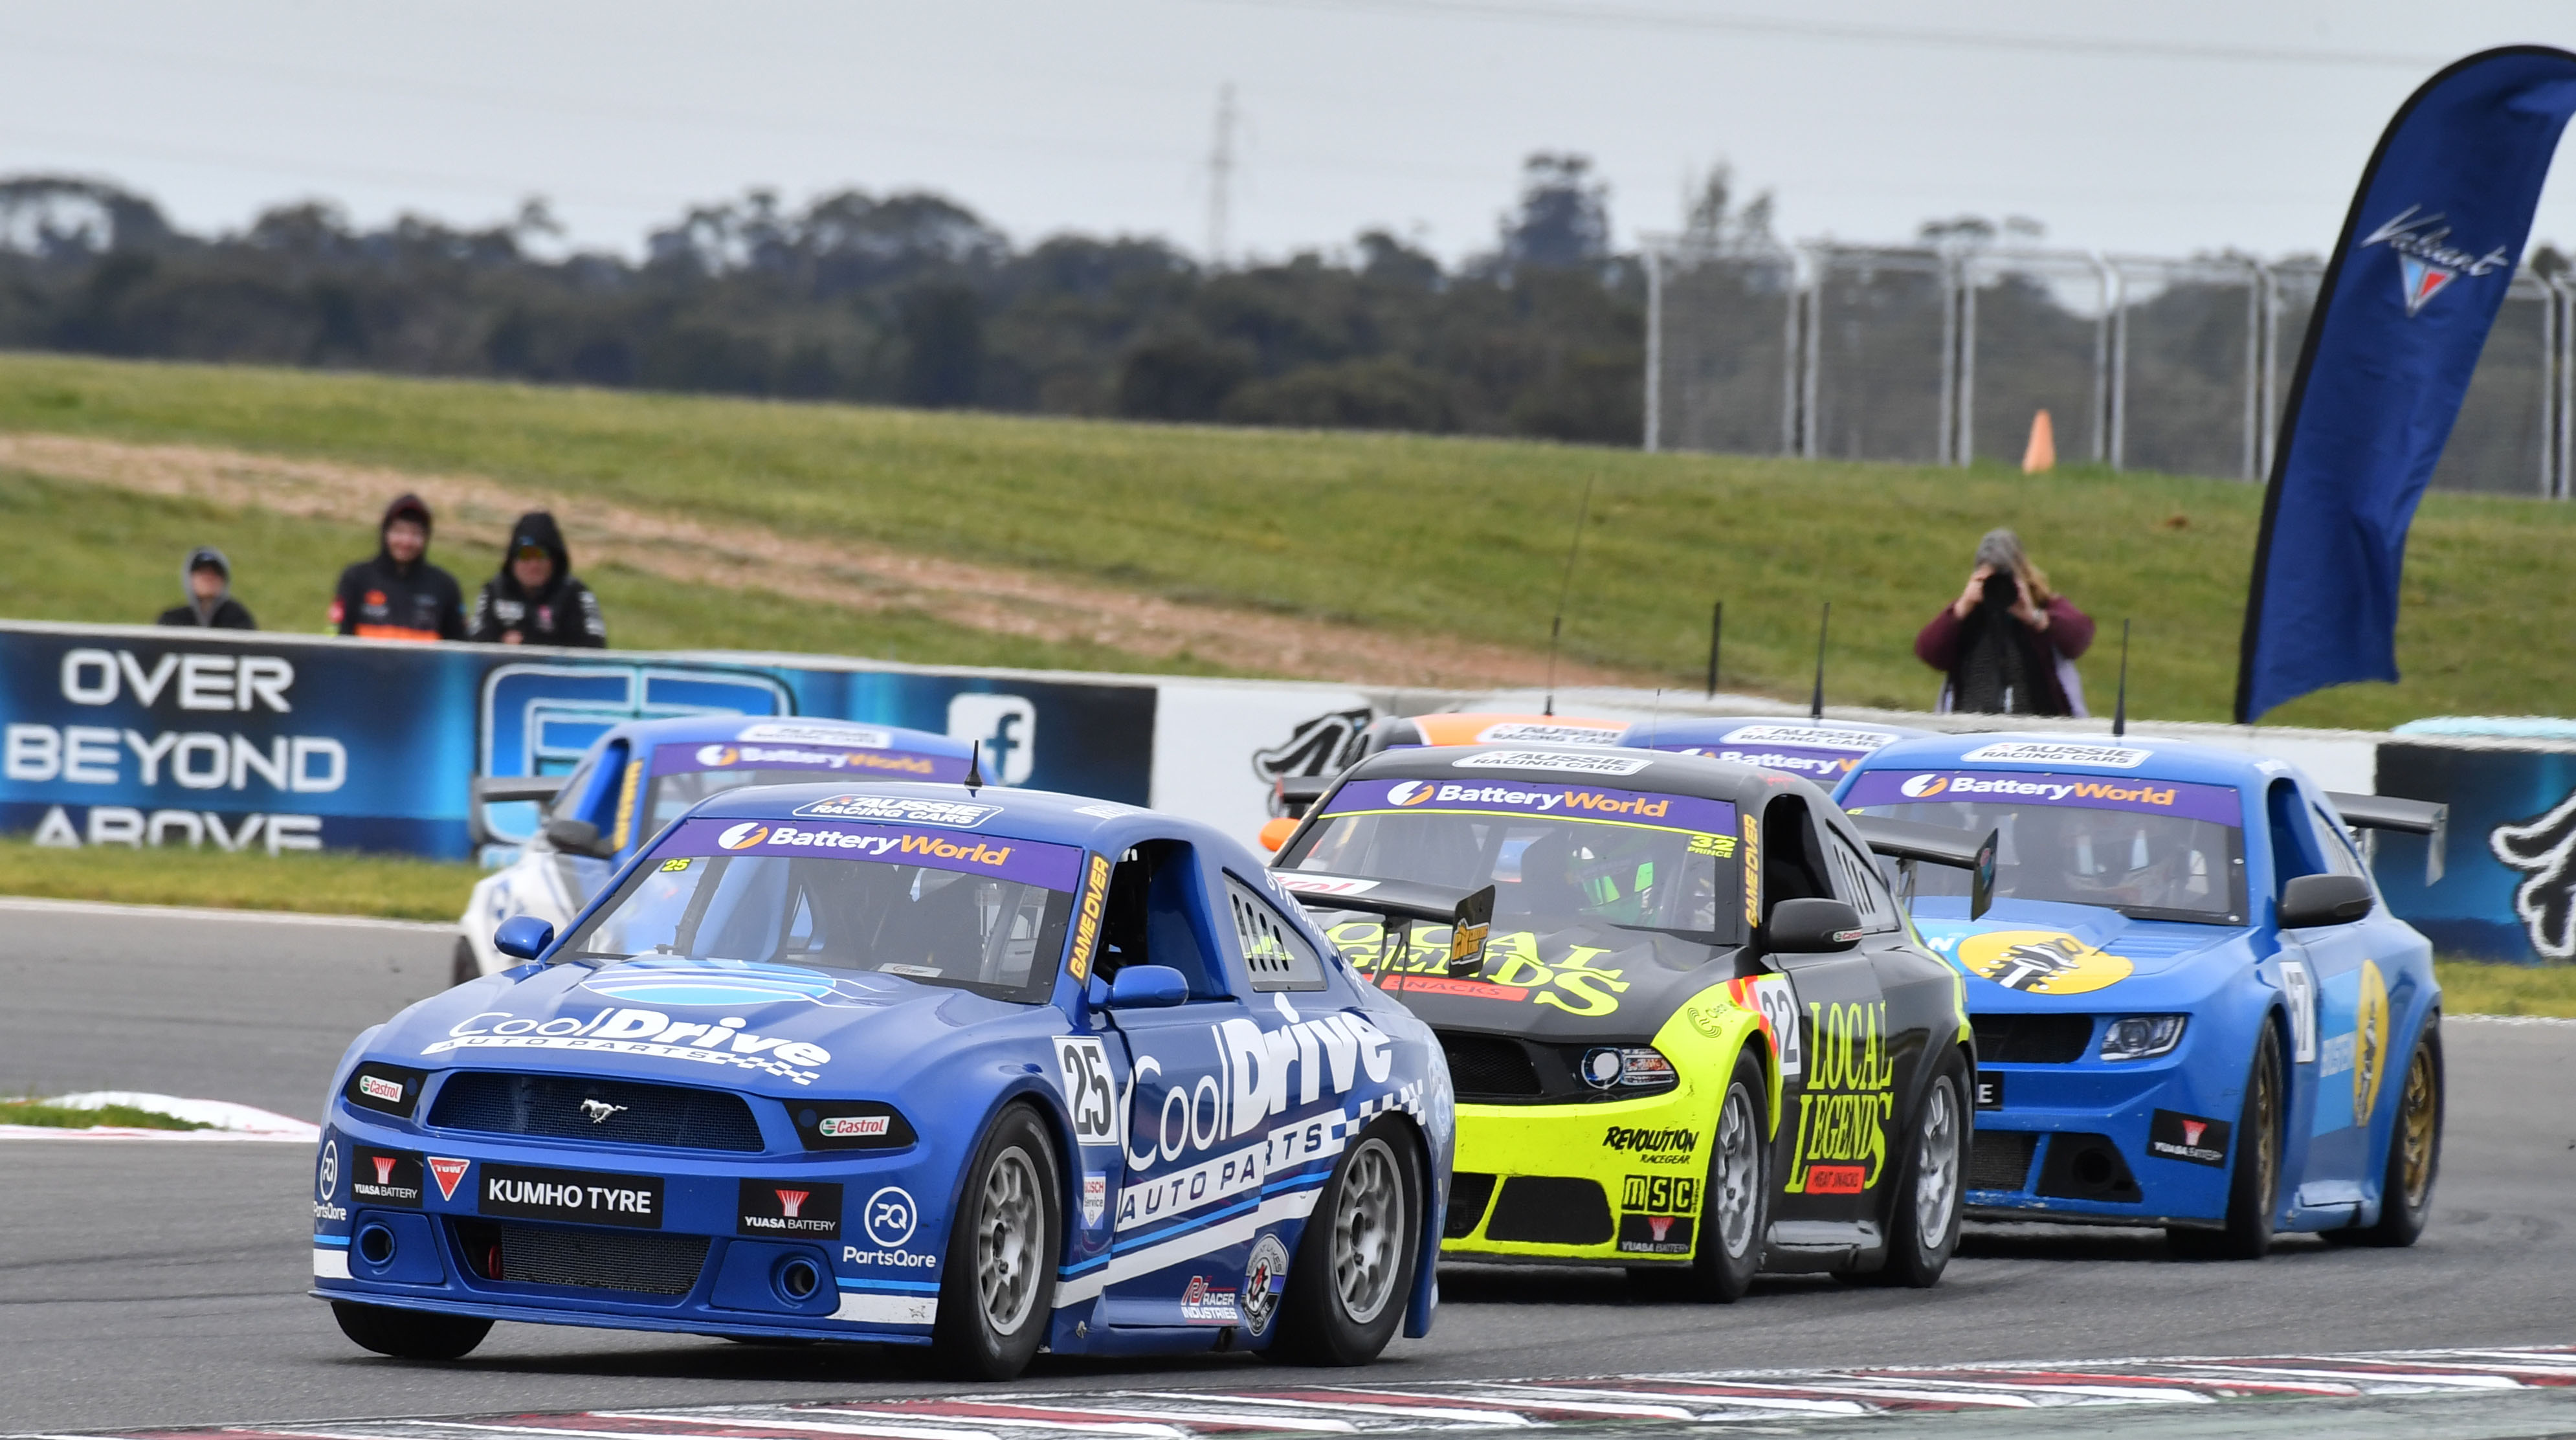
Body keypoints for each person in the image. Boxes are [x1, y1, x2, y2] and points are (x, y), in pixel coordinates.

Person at [1915, 528, 2094, 716]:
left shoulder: (2047, 608)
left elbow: (2080, 637)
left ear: (2022, 576)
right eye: (1989, 580)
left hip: (2040, 731)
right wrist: (1961, 608)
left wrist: (2033, 616)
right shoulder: (1968, 616)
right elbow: (1928, 651)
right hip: (1971, 728)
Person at [331, 493, 467, 641]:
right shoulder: (356, 579)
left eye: (416, 534)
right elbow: (340, 640)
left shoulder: (444, 586)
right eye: (399, 531)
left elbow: (458, 648)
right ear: (385, 533)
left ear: (426, 538)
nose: (406, 542)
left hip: (423, 665)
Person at [470, 511, 606, 647]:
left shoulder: (576, 595)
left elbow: (594, 648)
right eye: (525, 555)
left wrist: (529, 644)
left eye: (541, 555)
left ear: (554, 560)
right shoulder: (494, 591)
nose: (534, 565)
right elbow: (475, 646)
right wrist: (502, 647)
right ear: (512, 559)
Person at [156, 547, 256, 630]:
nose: (208, 578)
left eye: (215, 573)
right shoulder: (172, 620)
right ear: (189, 578)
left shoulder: (237, 618)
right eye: (202, 573)